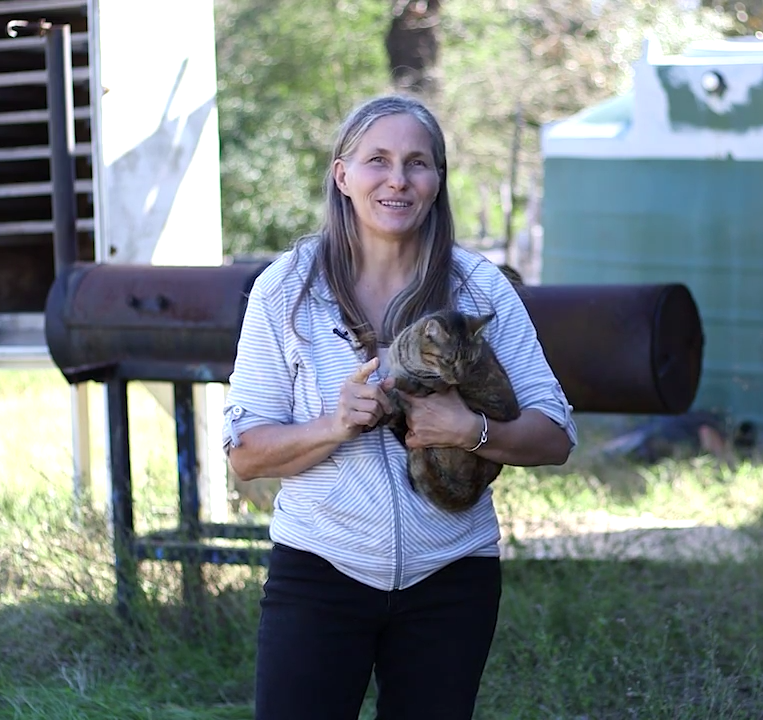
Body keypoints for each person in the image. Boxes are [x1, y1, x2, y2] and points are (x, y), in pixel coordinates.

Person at [222, 94, 578, 720]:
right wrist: (334, 426)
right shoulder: (286, 287)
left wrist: (470, 429)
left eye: (418, 163)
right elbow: (245, 455)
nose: (397, 179)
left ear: (438, 180)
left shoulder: (478, 287)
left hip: (451, 574)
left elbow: (555, 437)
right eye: (377, 160)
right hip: (320, 570)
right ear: (342, 174)